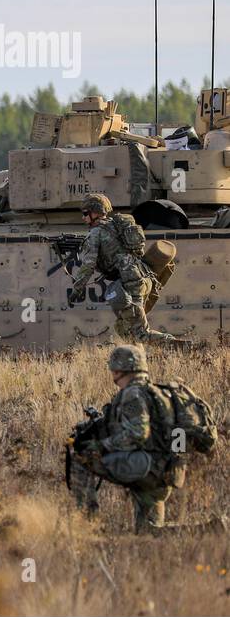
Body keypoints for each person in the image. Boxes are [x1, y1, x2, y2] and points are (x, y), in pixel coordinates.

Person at [69, 344, 223, 534]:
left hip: (147, 468)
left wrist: (101, 446)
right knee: (148, 533)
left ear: (119, 370)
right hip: (170, 470)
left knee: (82, 459)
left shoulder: (132, 394)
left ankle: (86, 525)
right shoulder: (161, 394)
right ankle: (208, 530)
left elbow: (137, 433)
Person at [69, 193, 182, 346]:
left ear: (94, 212)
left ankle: (183, 348)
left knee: (141, 333)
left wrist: (76, 291)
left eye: (85, 214)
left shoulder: (96, 233)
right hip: (142, 278)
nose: (83, 218)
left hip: (130, 285)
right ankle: (137, 360)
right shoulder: (117, 226)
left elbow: (88, 266)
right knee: (124, 327)